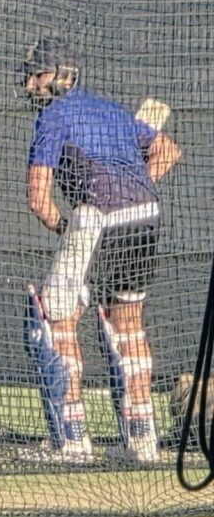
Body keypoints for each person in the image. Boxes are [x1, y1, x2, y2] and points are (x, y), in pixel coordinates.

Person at [22, 37, 181, 464]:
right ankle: (143, 442)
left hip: (96, 214)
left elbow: (38, 198)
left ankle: (73, 441)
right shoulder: (111, 110)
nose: (29, 83)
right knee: (127, 324)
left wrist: (67, 228)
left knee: (54, 318)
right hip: (147, 212)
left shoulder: (53, 117)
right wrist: (137, 186)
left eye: (37, 74)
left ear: (61, 76)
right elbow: (167, 149)